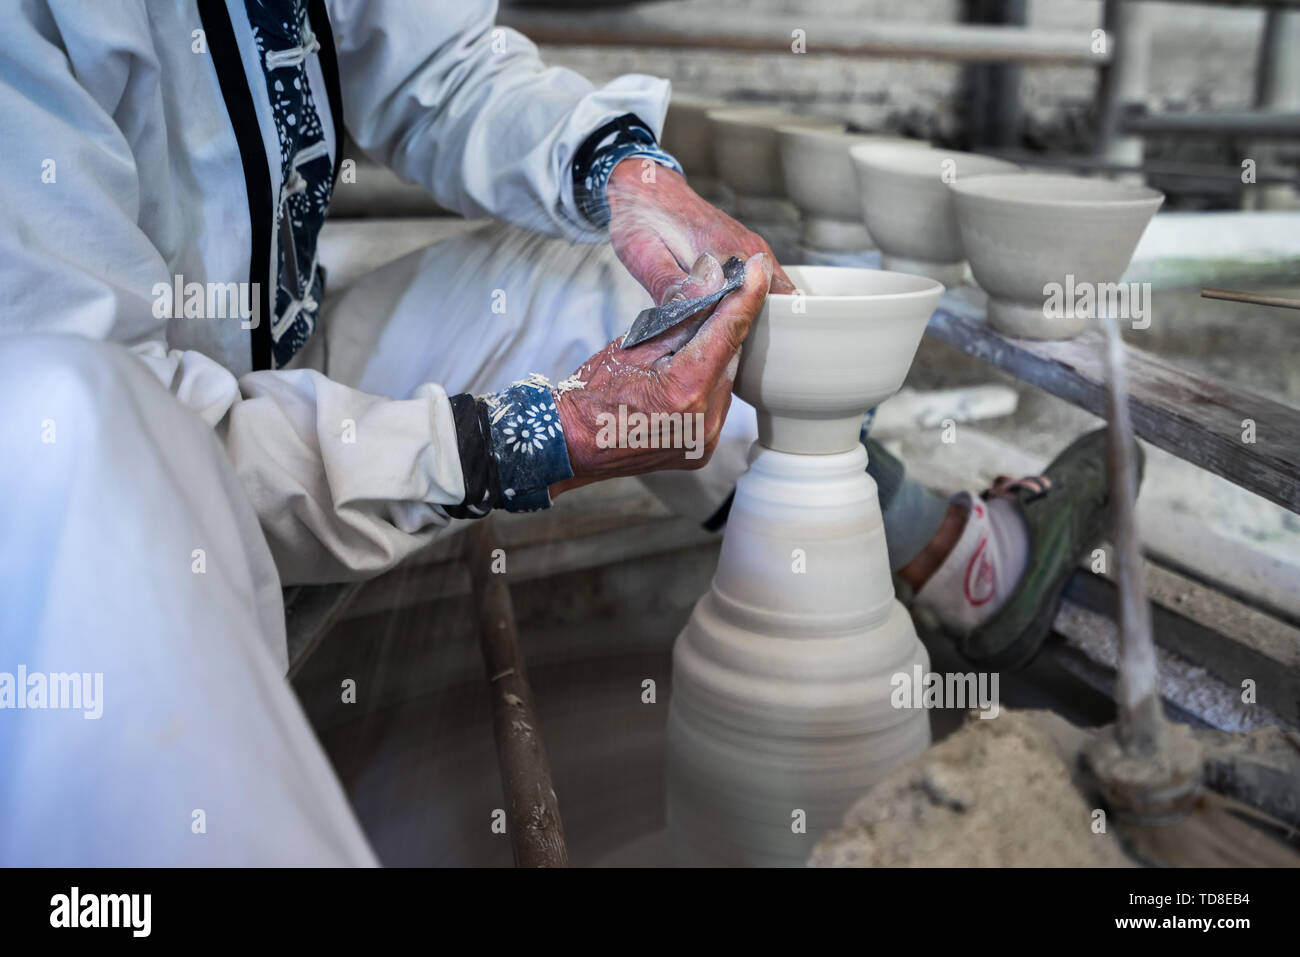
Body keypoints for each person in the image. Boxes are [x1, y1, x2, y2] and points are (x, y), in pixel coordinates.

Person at [0, 0, 1125, 865]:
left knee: (633, 297)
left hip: (255, 370)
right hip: (80, 505)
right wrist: (523, 441)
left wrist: (626, 177)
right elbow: (144, 429)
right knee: (78, 437)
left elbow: (435, 72)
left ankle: (960, 563)